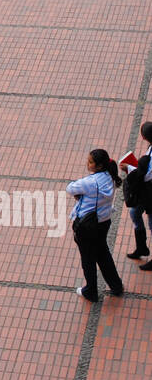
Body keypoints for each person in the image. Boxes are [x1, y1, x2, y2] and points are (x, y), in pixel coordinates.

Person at [67, 150, 124, 303]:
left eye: (90, 162)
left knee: (88, 259)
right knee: (103, 254)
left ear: (98, 166)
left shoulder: (90, 182)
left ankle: (91, 291)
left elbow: (70, 188)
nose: (88, 163)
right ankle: (116, 285)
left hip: (86, 226)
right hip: (103, 222)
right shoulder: (110, 177)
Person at [125, 121, 152, 266]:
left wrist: (130, 168)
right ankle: (141, 247)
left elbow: (146, 176)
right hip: (146, 193)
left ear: (143, 137)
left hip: (149, 194)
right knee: (135, 213)